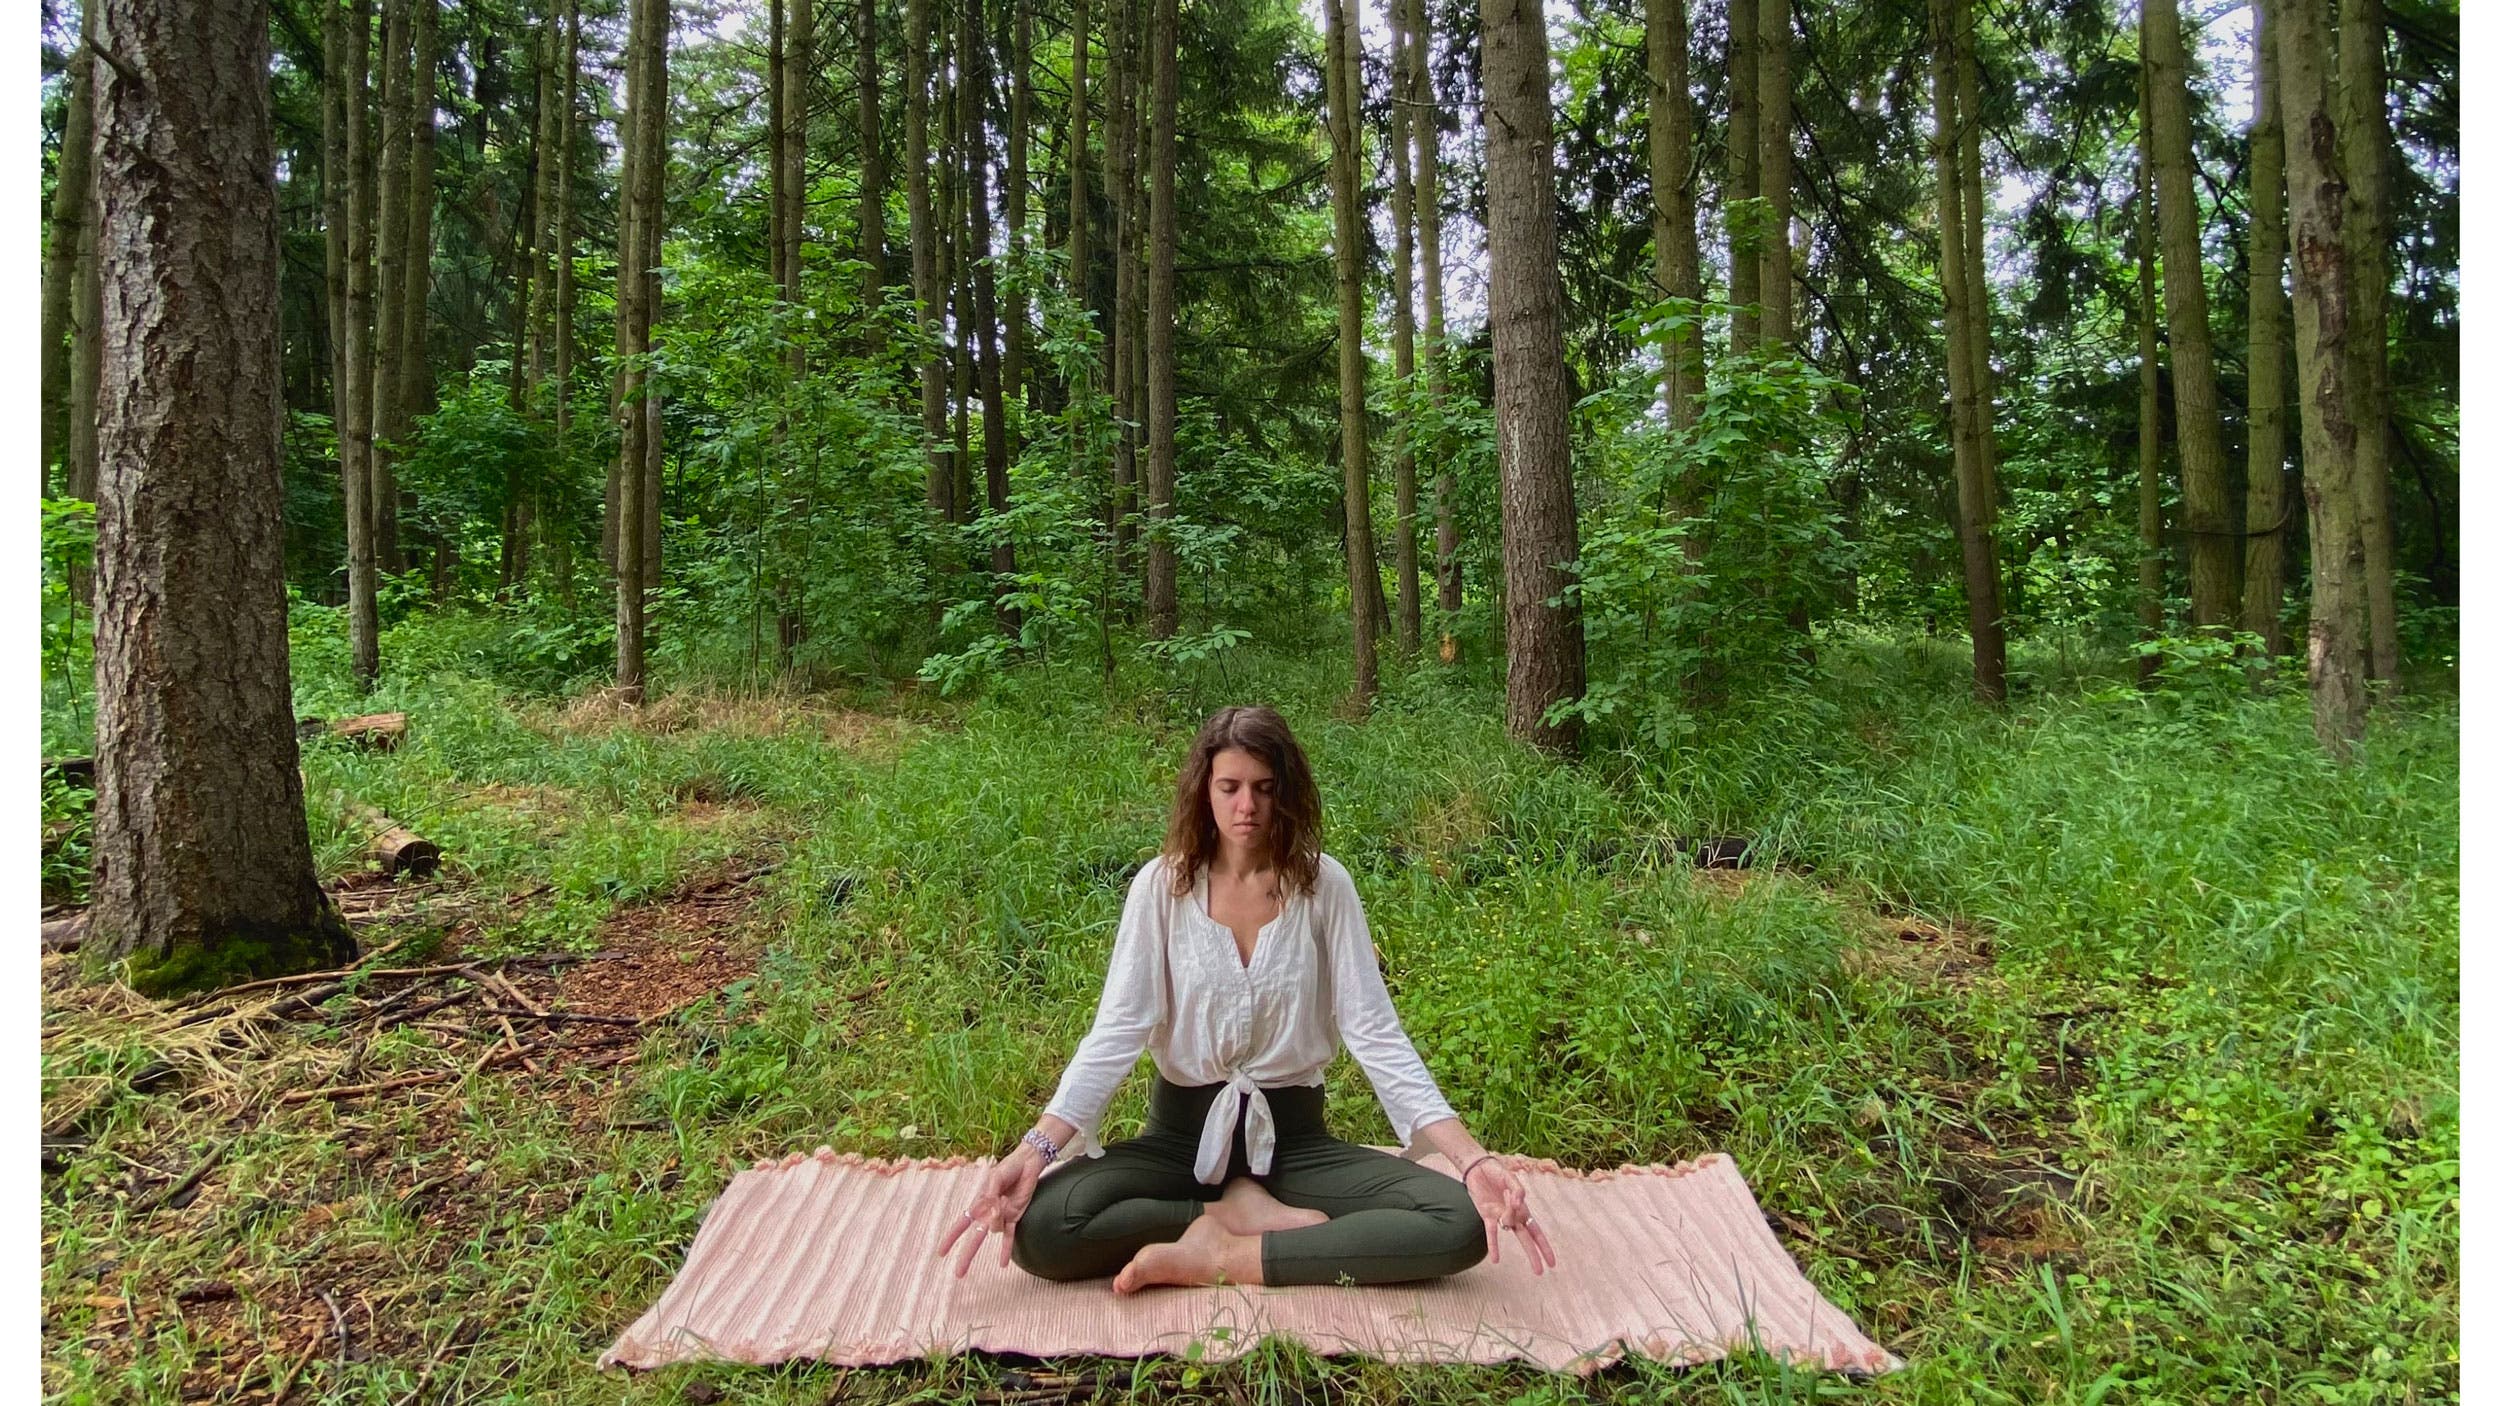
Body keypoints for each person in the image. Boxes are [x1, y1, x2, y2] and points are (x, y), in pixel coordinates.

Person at [935, 705, 1558, 1293]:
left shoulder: (1325, 887)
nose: (1247, 805)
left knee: (1462, 1221)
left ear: (1286, 792)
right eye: (1230, 786)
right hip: (1180, 1141)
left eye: (1264, 787)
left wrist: (1474, 1162)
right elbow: (1117, 1032)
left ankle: (1231, 1254)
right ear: (1204, 790)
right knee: (1040, 1231)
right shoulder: (1162, 888)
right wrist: (1034, 1149)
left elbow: (1376, 1033)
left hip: (1296, 1143)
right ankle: (1224, 1209)